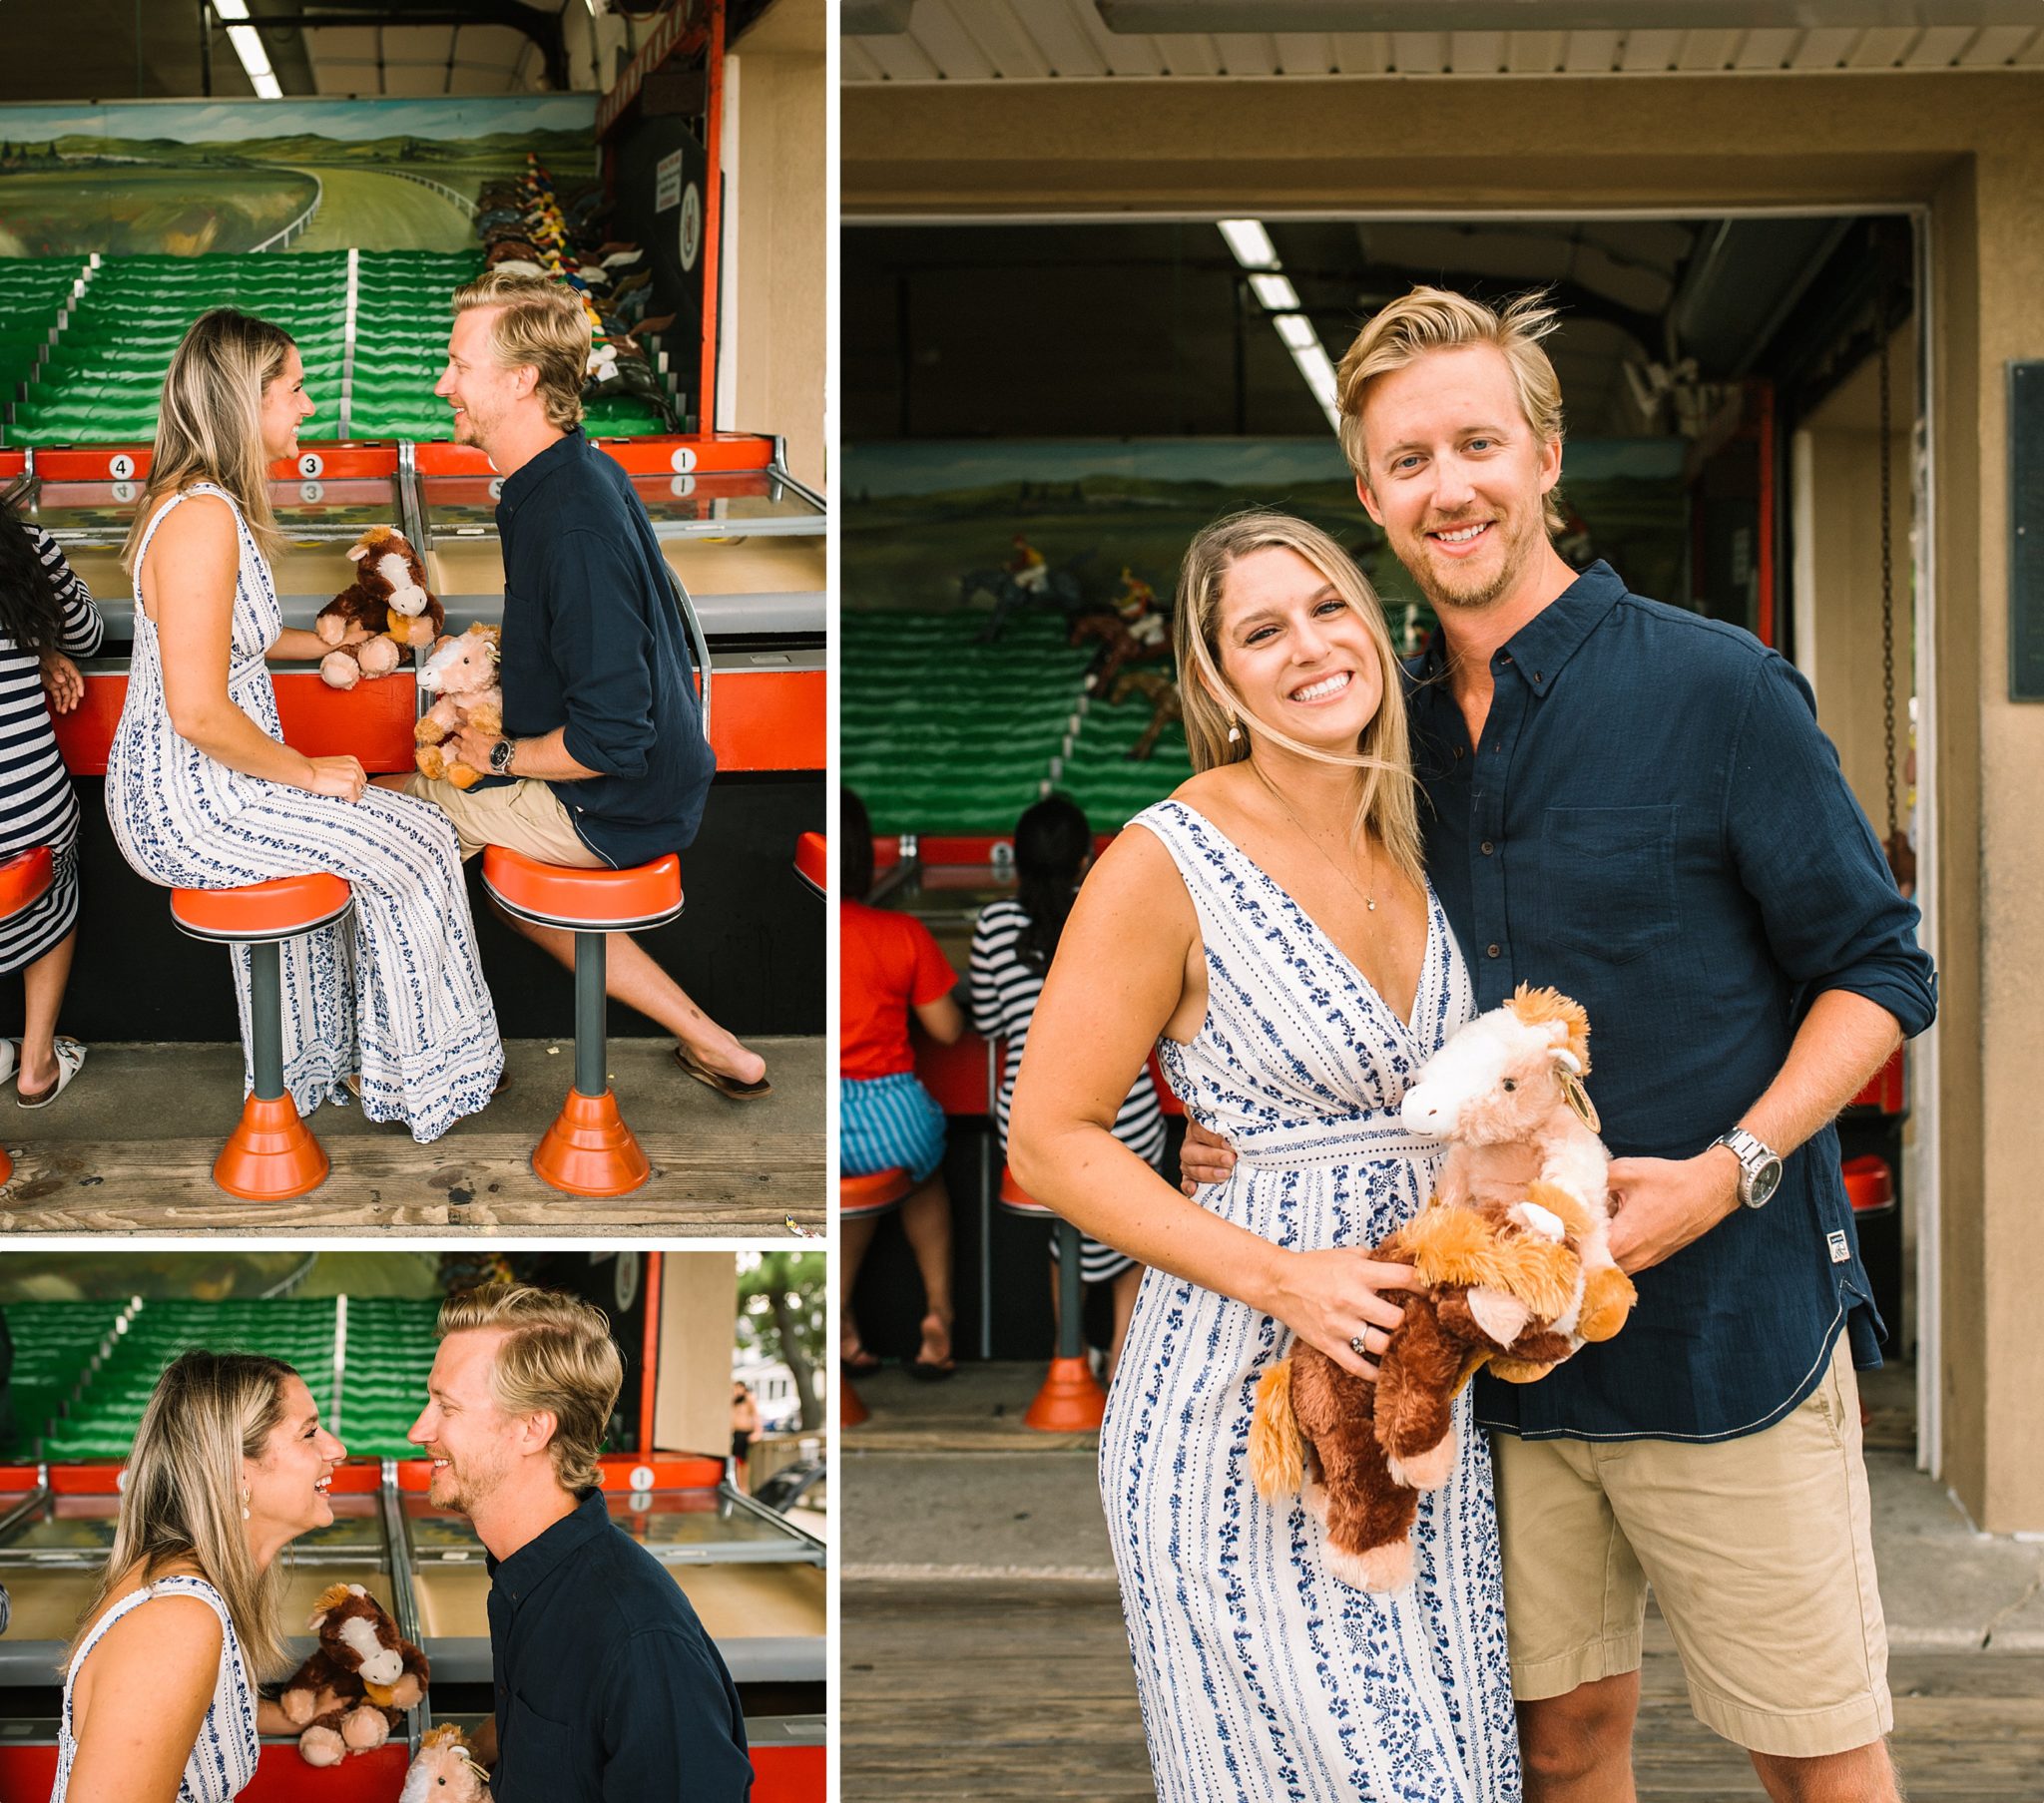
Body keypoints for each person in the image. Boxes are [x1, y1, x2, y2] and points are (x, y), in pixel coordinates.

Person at [1179, 287, 1937, 1802]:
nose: (1447, 485)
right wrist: (1237, 1142)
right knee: (1557, 1747)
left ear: (1544, 454)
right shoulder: (1371, 739)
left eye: (1477, 443)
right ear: (1371, 495)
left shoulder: (1720, 688)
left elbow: (1878, 967)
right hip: (1491, 1366)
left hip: (1727, 1331)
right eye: (1409, 460)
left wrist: (1730, 1169)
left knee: (1816, 1755)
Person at [1008, 511, 1516, 1801]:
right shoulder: (1163, 859)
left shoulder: (1408, 833)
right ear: (1217, 678)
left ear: (1376, 621)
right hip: (1237, 1414)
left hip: (1412, 1407)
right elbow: (1049, 1139)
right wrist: (1282, 1269)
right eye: (1261, 629)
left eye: (1328, 606)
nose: (1308, 644)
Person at [104, 307, 503, 1142]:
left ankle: (321, 1068)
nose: (308, 404)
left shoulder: (202, 505)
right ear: (244, 400)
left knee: (387, 835)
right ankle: (425, 1077)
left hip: (211, 784)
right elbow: (199, 710)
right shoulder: (202, 517)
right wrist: (306, 769)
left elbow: (216, 640)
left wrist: (323, 640)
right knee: (418, 837)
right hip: (189, 797)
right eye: (293, 387)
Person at [388, 270, 766, 1101]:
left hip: (615, 798)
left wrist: (498, 751)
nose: (443, 382)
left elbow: (609, 738)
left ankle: (416, 1065)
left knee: (378, 822)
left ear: (521, 380)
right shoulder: (563, 477)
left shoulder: (568, 517)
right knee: (519, 895)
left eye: (458, 365)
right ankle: (717, 1044)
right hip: (639, 784)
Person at [406, 1284, 751, 1802]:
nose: (418, 1429)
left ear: (532, 1429)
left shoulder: (639, 1638)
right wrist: (471, 1755)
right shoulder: (523, 1576)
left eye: (446, 1407)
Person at [52, 1349, 349, 1801]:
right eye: (309, 1433)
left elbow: (188, 1715)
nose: (337, 1449)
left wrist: (295, 1715)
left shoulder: (192, 1597)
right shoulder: (176, 1624)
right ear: (234, 1470)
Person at [969, 794, 1155, 1381]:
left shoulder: (995, 925)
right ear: (1085, 862)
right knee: (1134, 1225)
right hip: (1129, 1112)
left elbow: (989, 1021)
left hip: (1028, 1121)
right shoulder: (1117, 913)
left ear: (1018, 862)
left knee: (1064, 1222)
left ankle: (1068, 1358)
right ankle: (1125, 1353)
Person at [838, 786, 963, 1379]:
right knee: (923, 1177)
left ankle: (840, 1320)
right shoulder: (899, 933)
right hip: (891, 1118)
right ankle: (939, 1314)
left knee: (851, 1197)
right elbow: (946, 1030)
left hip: (819, 1121)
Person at [0, 507, 104, 1107]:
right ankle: (36, 1063)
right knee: (51, 888)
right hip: (24, 819)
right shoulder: (23, 541)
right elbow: (89, 634)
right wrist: (36, 645)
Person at [730, 1380, 760, 1492]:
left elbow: (756, 1416)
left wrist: (757, 1432)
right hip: (735, 1434)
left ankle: (744, 1487)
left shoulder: (749, 1399)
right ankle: (737, 1485)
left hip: (744, 1434)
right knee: (735, 1462)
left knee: (743, 1462)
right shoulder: (734, 1401)